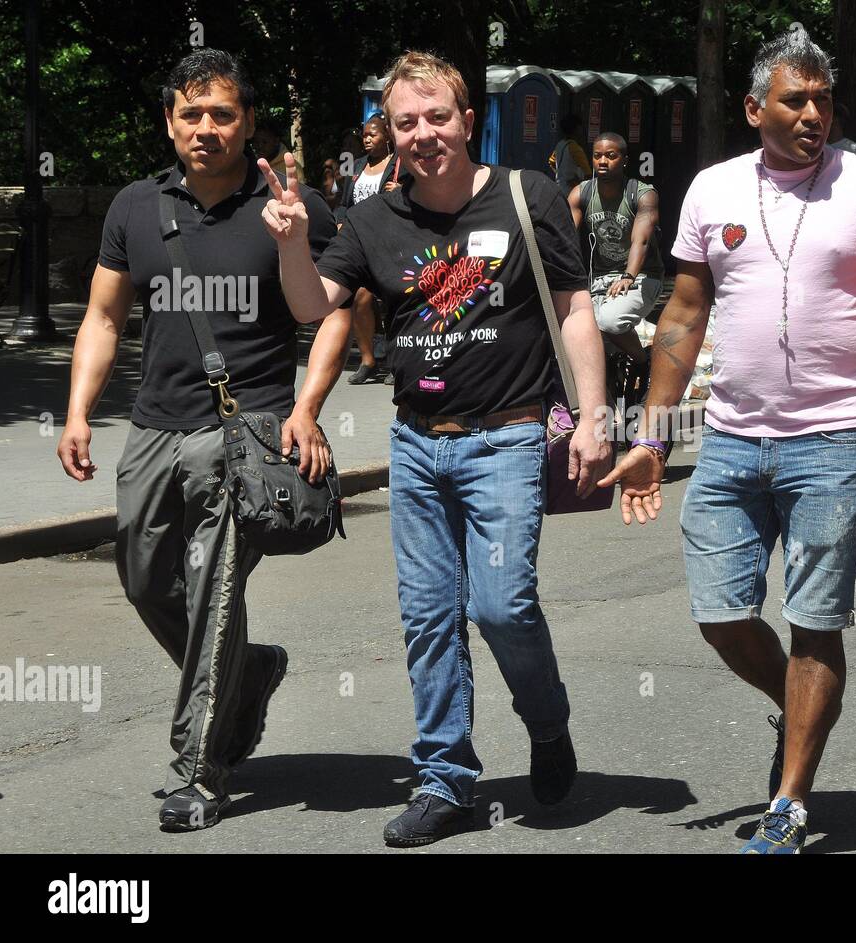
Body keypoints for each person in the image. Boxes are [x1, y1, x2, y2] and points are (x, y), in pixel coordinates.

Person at [258, 50, 611, 847]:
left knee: (500, 603)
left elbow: (575, 306)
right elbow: (317, 303)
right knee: (427, 619)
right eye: (406, 122)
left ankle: (547, 724)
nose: (423, 134)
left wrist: (592, 416)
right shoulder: (375, 221)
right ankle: (446, 778)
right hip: (418, 446)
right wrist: (289, 242)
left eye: (437, 117)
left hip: (510, 435)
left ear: (466, 119)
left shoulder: (530, 196)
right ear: (391, 130)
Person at [599, 30, 856, 854]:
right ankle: (800, 702)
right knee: (719, 613)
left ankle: (788, 800)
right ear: (755, 110)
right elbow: (681, 315)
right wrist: (652, 437)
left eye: (822, 100)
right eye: (794, 100)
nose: (813, 114)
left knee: (817, 622)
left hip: (837, 436)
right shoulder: (711, 189)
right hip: (732, 439)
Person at [56, 48, 350, 831]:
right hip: (154, 424)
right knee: (148, 580)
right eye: (192, 114)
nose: (207, 128)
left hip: (245, 428)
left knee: (215, 588)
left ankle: (199, 768)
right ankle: (250, 671)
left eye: (223, 113)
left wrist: (309, 406)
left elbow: (335, 312)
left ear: (248, 120)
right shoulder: (135, 208)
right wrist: (79, 409)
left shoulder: (292, 204)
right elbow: (104, 317)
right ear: (169, 121)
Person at [568, 130, 664, 368]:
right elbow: (566, 239)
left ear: (624, 160)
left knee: (609, 322)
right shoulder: (582, 193)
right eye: (597, 155)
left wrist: (628, 276)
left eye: (610, 156)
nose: (602, 161)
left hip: (641, 276)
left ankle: (644, 361)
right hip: (599, 279)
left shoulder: (642, 194)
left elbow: (639, 241)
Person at [336, 111, 404, 385]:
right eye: (364, 135)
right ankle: (368, 361)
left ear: (387, 135)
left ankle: (395, 363)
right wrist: (340, 222)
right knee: (360, 299)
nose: (366, 140)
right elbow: (343, 203)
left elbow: (419, 194)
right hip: (362, 242)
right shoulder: (357, 166)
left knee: (393, 303)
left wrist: (400, 188)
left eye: (372, 134)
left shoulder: (400, 164)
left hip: (391, 240)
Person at [549, 113, 592, 191]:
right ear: (577, 129)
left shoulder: (560, 144)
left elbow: (551, 162)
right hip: (572, 191)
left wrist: (561, 174)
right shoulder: (575, 148)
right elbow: (588, 174)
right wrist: (578, 182)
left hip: (559, 189)